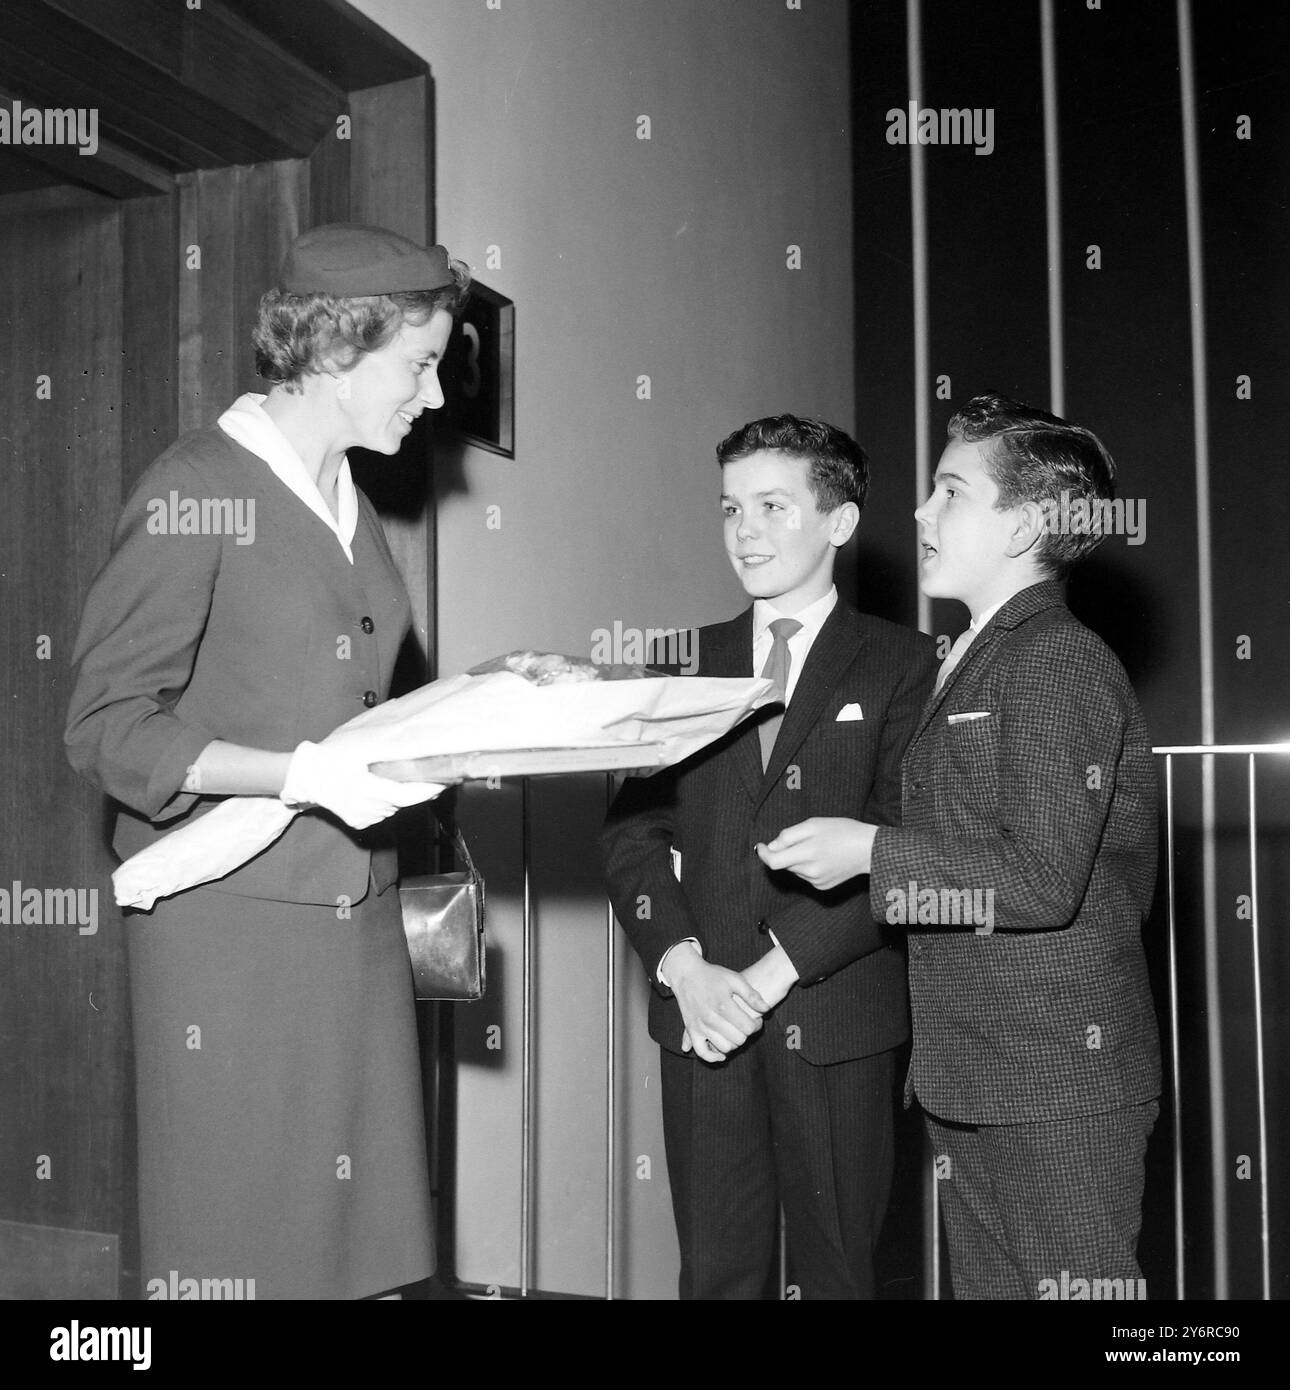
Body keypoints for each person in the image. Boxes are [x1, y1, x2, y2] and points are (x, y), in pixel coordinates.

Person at [65, 224, 469, 1299]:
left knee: (354, 1254)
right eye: (419, 365)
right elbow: (106, 723)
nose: (433, 399)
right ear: (336, 349)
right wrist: (292, 774)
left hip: (356, 922)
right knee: (242, 1250)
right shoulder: (197, 485)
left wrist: (499, 690)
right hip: (234, 932)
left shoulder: (356, 509)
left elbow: (356, 708)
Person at [759, 392, 1161, 1300]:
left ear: (1025, 527)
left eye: (950, 493)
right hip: (980, 1075)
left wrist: (873, 852)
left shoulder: (1055, 659)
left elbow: (1043, 883)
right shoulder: (981, 653)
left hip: (1057, 1085)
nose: (921, 512)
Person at [601, 415, 938, 1300]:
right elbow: (631, 839)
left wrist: (771, 973)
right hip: (701, 1016)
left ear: (840, 521)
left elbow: (902, 841)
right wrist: (685, 968)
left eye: (771, 506)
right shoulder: (677, 664)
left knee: (839, 1271)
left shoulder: (904, 664)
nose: (744, 532)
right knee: (714, 1272)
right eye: (729, 509)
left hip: (834, 1017)